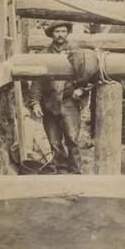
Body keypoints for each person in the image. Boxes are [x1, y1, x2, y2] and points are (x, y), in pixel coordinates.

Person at [27, 21, 89, 172]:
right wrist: (35, 103)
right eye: (57, 32)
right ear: (51, 35)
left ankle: (75, 171)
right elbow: (37, 81)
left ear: (67, 33)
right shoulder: (43, 55)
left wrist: (82, 89)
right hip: (50, 102)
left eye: (63, 31)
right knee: (54, 140)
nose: (60, 34)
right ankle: (61, 169)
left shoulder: (77, 53)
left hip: (70, 101)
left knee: (72, 138)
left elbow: (89, 76)